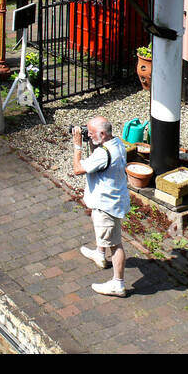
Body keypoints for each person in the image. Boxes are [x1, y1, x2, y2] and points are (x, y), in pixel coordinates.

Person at [72, 117, 131, 297]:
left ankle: (118, 284)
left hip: (107, 206)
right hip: (112, 199)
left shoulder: (103, 154)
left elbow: (77, 169)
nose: (88, 136)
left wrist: (77, 146)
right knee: (103, 231)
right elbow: (98, 158)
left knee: (115, 244)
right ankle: (99, 254)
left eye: (90, 134)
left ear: (102, 134)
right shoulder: (117, 143)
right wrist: (92, 142)